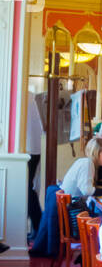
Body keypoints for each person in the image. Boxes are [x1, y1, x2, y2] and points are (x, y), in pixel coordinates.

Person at [59, 136, 102, 215]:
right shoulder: (87, 163)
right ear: (96, 153)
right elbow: (87, 191)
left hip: (71, 208)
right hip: (73, 212)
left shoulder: (84, 162)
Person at [25, 90, 44, 238]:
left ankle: (38, 227)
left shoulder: (22, 96)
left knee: (26, 190)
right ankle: (37, 228)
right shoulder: (30, 96)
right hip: (33, 149)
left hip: (28, 150)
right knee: (28, 189)